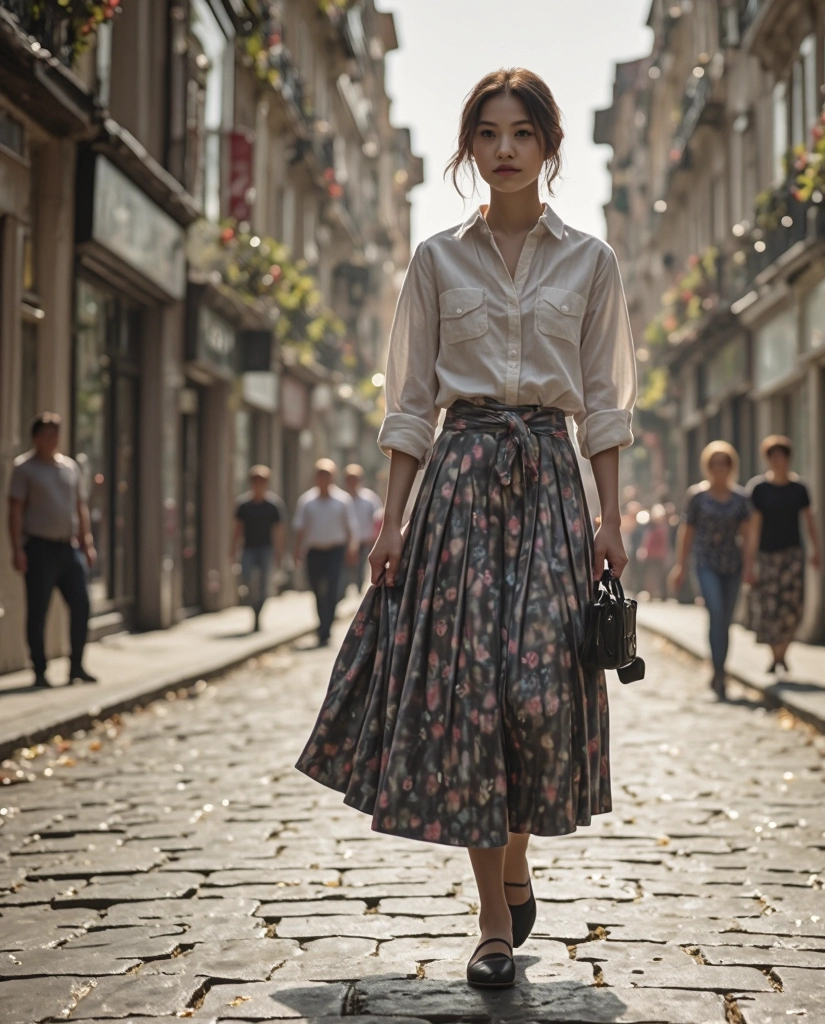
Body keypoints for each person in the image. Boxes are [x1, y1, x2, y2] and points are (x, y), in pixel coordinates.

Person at [295, 68, 636, 990]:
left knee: (538, 692)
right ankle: (491, 921)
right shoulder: (436, 260)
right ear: (469, 148)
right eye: (488, 133)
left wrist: (611, 521)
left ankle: (517, 856)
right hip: (459, 489)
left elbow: (604, 405)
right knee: (476, 699)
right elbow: (410, 401)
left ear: (549, 146)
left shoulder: (593, 262)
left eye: (522, 132)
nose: (505, 148)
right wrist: (391, 522)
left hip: (552, 488)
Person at [7, 412, 96, 688]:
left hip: (67, 548)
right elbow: (15, 510)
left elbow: (80, 507)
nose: (52, 439)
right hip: (38, 547)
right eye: (46, 434)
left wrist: (87, 541)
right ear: (35, 437)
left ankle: (77, 666)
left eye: (56, 433)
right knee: (38, 610)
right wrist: (17, 549)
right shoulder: (24, 468)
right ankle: (40, 670)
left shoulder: (69, 467)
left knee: (81, 604)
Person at [669, 441, 753, 699]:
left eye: (724, 463)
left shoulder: (740, 498)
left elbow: (748, 535)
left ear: (731, 466)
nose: (719, 468)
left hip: (732, 565)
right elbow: (687, 532)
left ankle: (720, 670)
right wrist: (680, 566)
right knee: (715, 611)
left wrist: (750, 567)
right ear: (708, 466)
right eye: (714, 463)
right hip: (705, 564)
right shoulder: (697, 496)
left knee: (725, 621)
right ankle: (717, 670)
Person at [745, 436, 821, 674]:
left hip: (792, 555)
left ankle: (783, 653)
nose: (777, 461)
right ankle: (775, 655)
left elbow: (809, 521)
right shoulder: (759, 489)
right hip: (767, 555)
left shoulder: (799, 489)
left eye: (781, 456)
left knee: (792, 605)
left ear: (788, 458)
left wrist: (816, 549)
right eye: (772, 456)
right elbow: (753, 526)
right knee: (769, 606)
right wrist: (750, 561)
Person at [293, 459, 359, 647]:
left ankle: (325, 629)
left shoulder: (342, 500)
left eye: (327, 475)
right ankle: (323, 621)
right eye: (320, 474)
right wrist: (297, 551)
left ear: (333, 477)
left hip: (335, 551)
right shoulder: (307, 501)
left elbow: (350, 528)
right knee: (316, 590)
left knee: (332, 589)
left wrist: (351, 550)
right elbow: (300, 528)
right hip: (314, 551)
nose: (323, 478)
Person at [233, 465, 287, 632]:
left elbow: (278, 532)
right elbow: (237, 529)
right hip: (248, 548)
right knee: (246, 580)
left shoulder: (273, 505)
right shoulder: (244, 505)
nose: (259, 485)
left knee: (265, 586)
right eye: (256, 482)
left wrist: (279, 555)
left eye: (262, 482)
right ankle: (252, 607)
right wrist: (232, 550)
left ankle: (258, 614)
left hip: (266, 549)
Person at [340, 463, 382, 597]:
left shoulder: (369, 499)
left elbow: (378, 517)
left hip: (365, 539)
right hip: (345, 541)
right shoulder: (340, 499)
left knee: (360, 568)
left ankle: (359, 592)